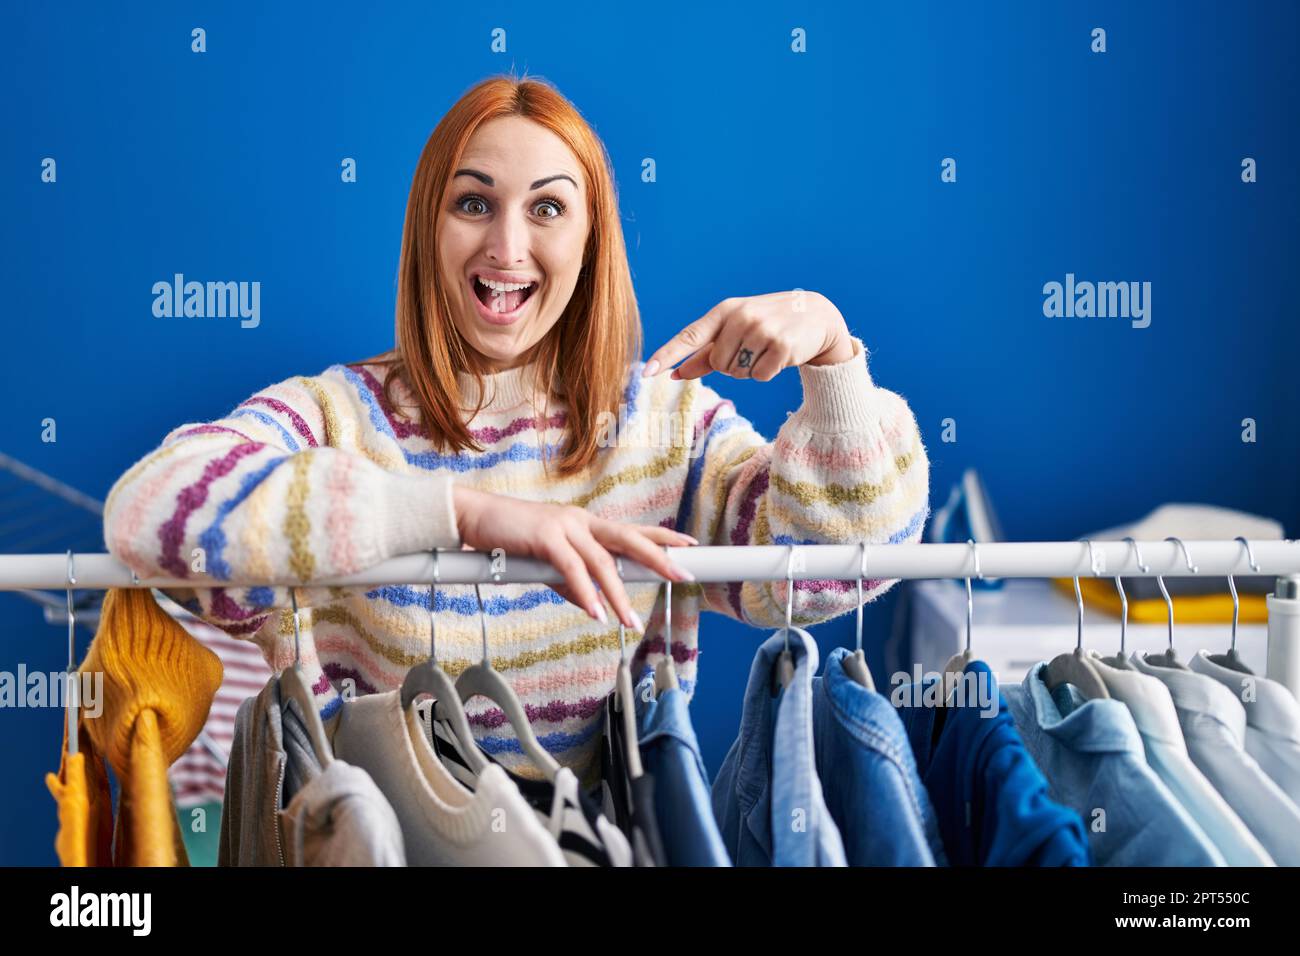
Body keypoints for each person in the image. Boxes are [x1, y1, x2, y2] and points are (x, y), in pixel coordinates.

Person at [102, 74, 931, 785]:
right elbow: (147, 516)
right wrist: (460, 514)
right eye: (473, 202)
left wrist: (832, 351)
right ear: (430, 227)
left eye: (547, 209)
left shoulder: (660, 426)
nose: (507, 245)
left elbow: (839, 565)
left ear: (590, 238)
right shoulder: (336, 417)